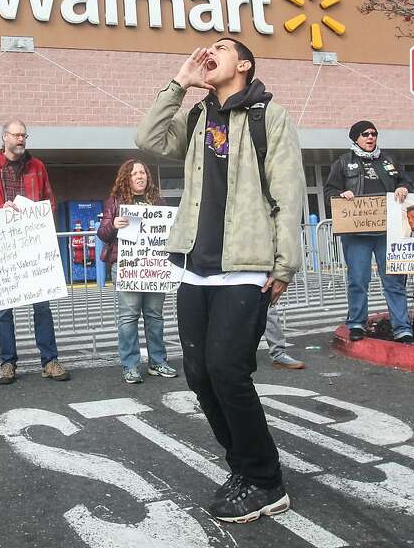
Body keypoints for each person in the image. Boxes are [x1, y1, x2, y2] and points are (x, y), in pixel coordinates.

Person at [136, 38, 303, 524]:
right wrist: (179, 83)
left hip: (246, 267)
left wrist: (283, 263)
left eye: (221, 48)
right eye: (204, 49)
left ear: (244, 64)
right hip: (194, 265)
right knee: (201, 375)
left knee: (228, 371)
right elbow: (147, 139)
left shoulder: (268, 116)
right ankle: (243, 466)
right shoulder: (195, 116)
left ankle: (266, 480)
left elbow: (289, 191)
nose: (209, 53)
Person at [0, 120, 69, 385]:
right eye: (16, 135)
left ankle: (50, 361)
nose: (21, 140)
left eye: (24, 135)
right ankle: (8, 363)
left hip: (33, 246)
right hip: (4, 248)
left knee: (42, 305)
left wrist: (40, 218)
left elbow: (49, 200)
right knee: (4, 309)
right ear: (4, 137)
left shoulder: (37, 167)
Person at [324, 121, 414, 343]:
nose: (370, 137)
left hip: (388, 232)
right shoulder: (343, 163)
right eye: (365, 134)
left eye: (374, 134)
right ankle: (356, 323)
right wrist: (341, 195)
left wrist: (404, 187)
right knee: (357, 280)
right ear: (355, 138)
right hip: (357, 235)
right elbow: (329, 190)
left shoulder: (389, 160)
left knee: (394, 281)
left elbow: (406, 181)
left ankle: (402, 328)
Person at [96, 159, 177, 384]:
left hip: (152, 268)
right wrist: (114, 225)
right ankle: (130, 365)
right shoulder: (115, 202)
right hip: (127, 267)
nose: (140, 176)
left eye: (142, 172)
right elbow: (103, 233)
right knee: (128, 316)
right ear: (126, 178)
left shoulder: (158, 202)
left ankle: (158, 362)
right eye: (134, 173)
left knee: (154, 316)